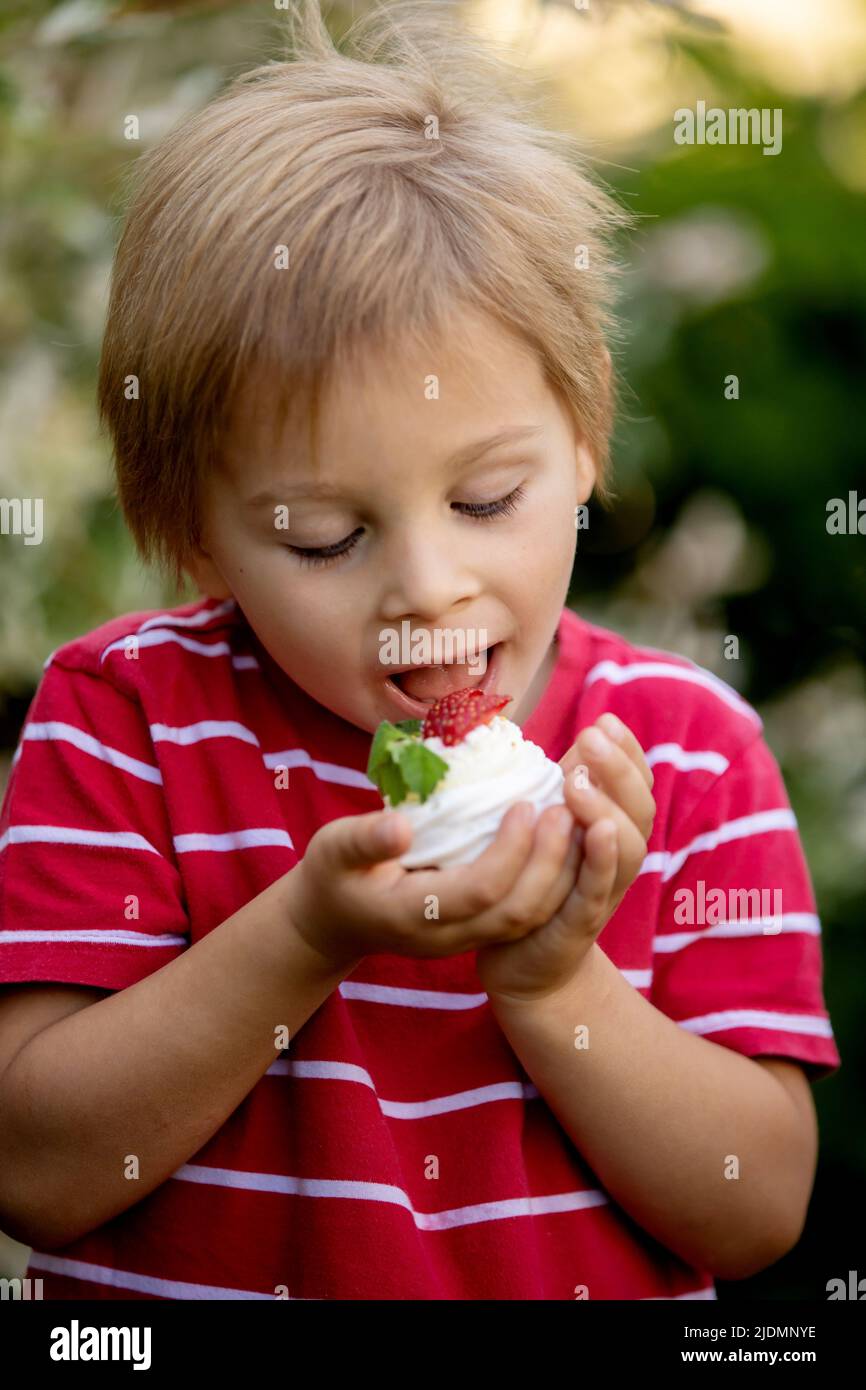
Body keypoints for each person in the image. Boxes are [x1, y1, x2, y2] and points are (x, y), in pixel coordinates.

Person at [0, 0, 840, 1300]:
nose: (426, 586)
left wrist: (555, 982)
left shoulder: (681, 753)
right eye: (326, 533)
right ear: (194, 535)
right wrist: (304, 933)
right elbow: (40, 1171)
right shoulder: (127, 722)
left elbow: (756, 1205)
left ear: (582, 438)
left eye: (487, 501)